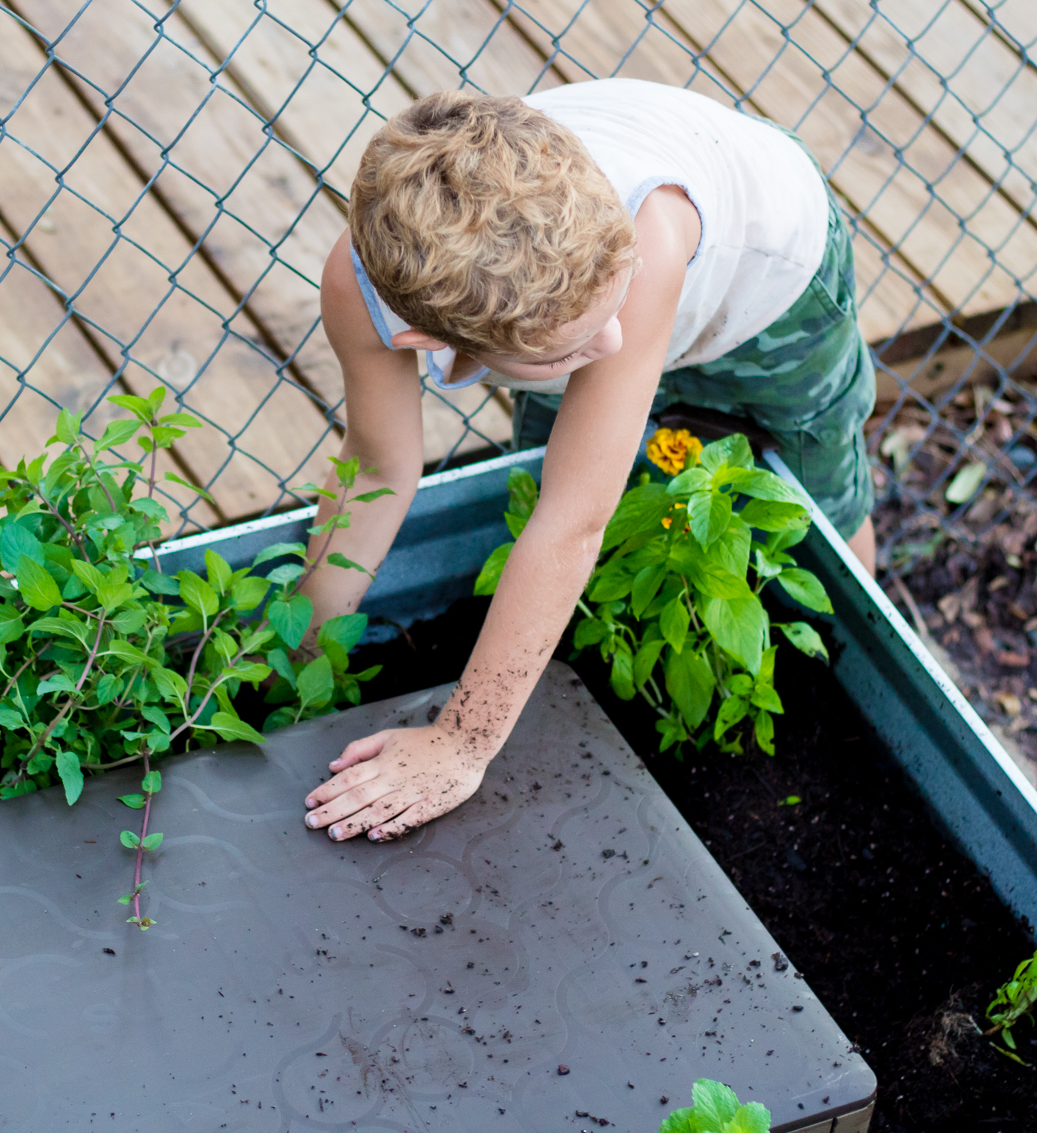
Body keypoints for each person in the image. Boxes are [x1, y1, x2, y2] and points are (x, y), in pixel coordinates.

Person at [297, 79, 876, 843]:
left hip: (771, 281)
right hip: (597, 291)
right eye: (569, 352)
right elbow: (376, 469)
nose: (606, 353)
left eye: (600, 327)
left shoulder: (633, 242)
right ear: (428, 341)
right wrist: (296, 660)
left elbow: (574, 520)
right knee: (557, 469)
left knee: (815, 498)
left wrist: (460, 742)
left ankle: (862, 671)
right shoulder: (360, 284)